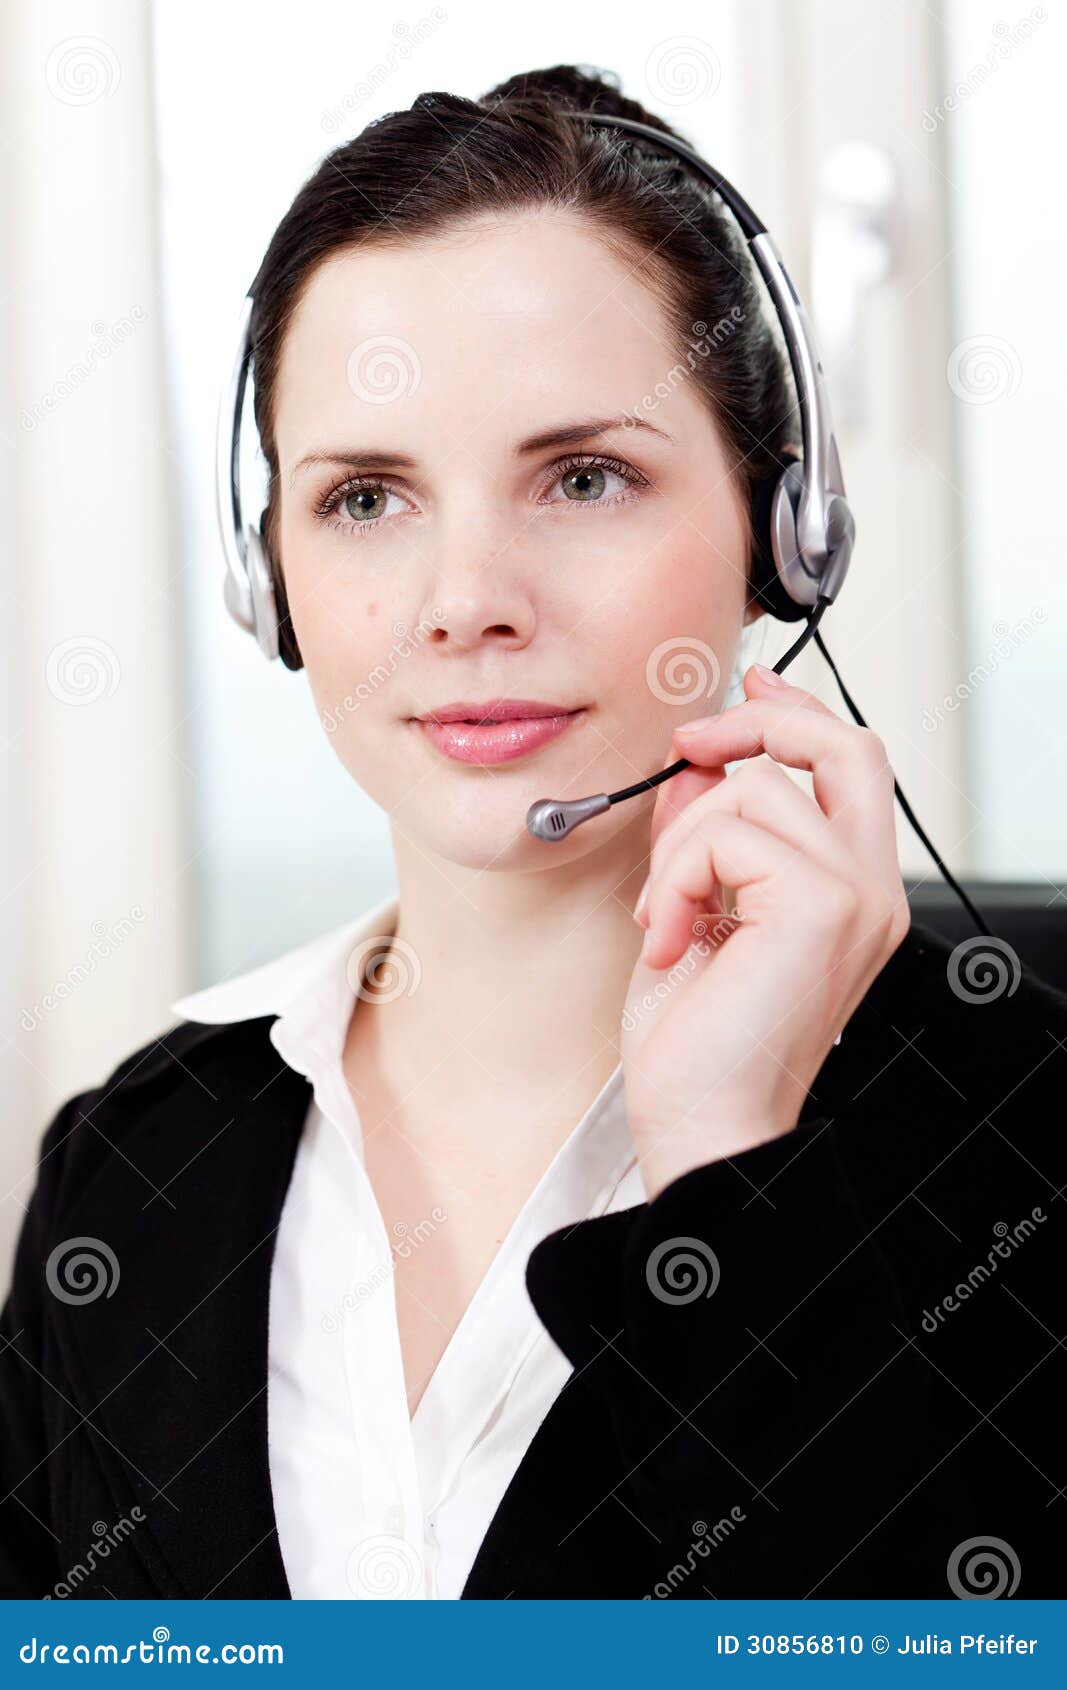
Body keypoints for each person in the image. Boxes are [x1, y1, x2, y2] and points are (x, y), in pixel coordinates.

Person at [2, 63, 1065, 1603]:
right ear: (269, 575)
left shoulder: (1014, 1139)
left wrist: (729, 1170)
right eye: (366, 497)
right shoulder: (134, 1167)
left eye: (583, 476)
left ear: (787, 530)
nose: (464, 598)